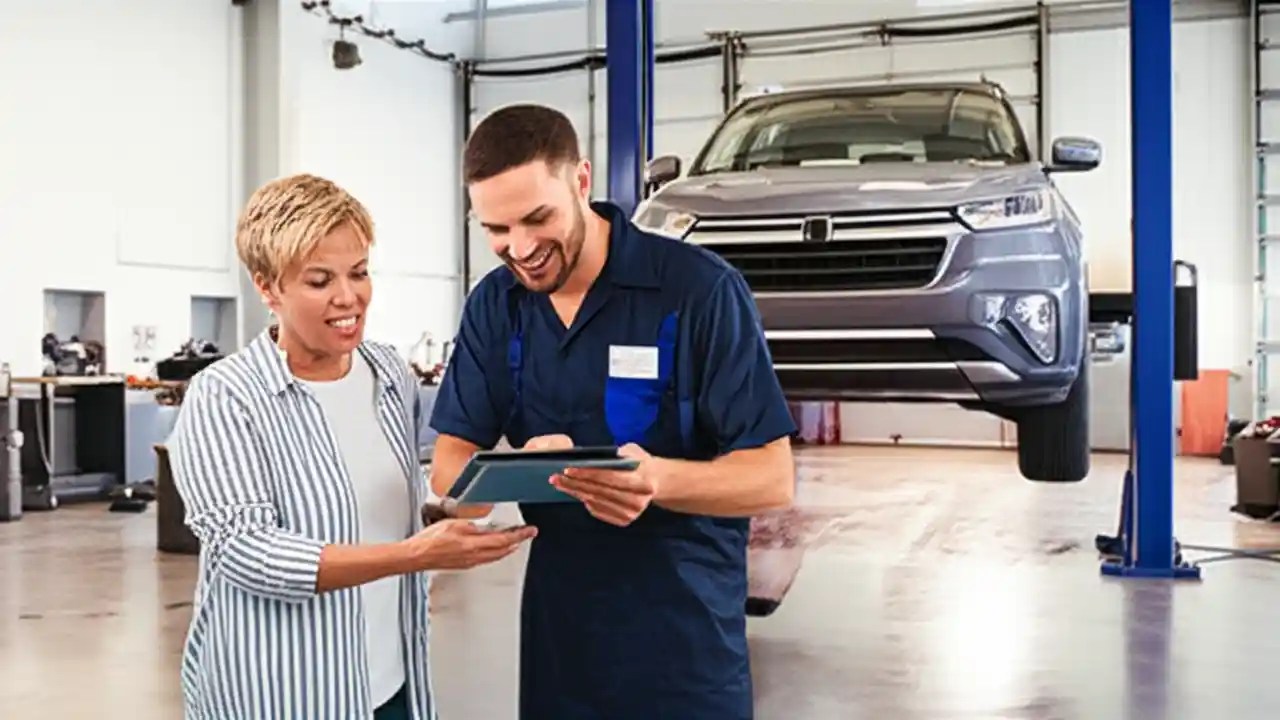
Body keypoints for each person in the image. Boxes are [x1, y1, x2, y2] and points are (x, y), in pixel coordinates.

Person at [428, 104, 797, 719]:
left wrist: (658, 481)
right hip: (560, 651)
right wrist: (515, 472)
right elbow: (450, 472)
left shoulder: (698, 291)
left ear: (582, 180)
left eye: (537, 218)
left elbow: (771, 477)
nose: (520, 248)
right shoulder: (496, 306)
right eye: (496, 229)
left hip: (685, 651)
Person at [168, 173, 536, 720]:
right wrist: (415, 555)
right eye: (320, 280)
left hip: (388, 682)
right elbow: (246, 552)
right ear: (267, 287)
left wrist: (469, 501)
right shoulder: (226, 396)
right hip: (283, 695)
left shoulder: (388, 374)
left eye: (359, 272)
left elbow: (388, 508)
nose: (348, 297)